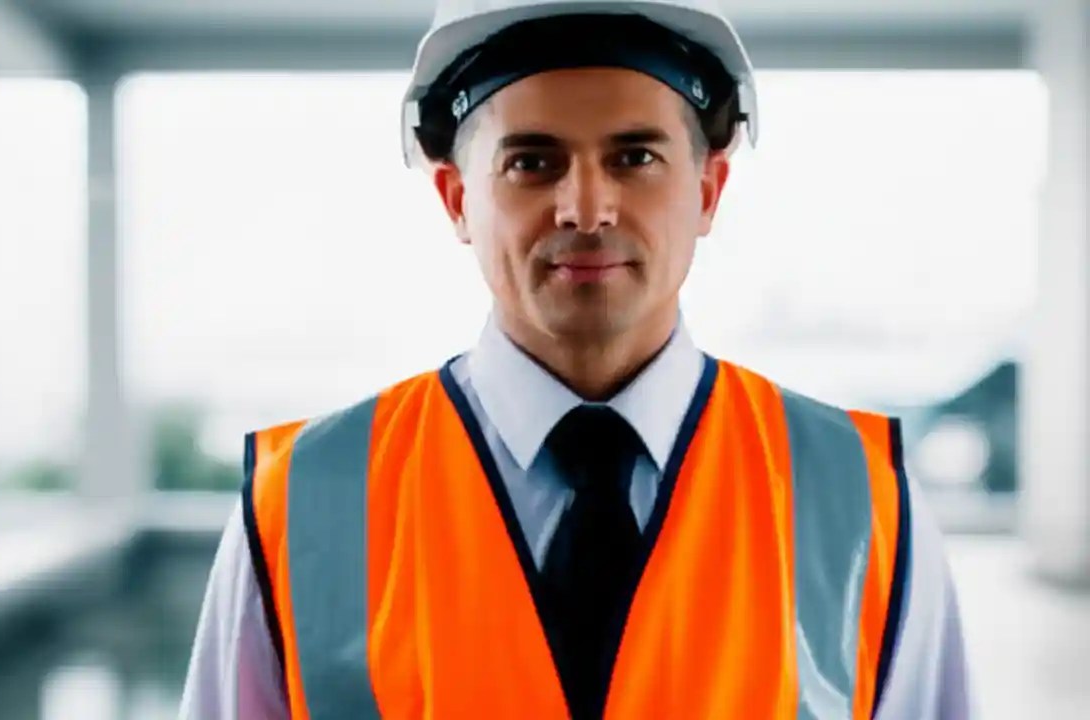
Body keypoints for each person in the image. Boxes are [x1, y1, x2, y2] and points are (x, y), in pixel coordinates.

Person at [179, 0, 970, 717]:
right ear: (457, 199)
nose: (586, 209)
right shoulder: (302, 503)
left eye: (635, 158)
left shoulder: (864, 500)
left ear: (709, 189)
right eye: (532, 161)